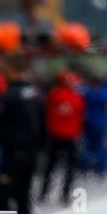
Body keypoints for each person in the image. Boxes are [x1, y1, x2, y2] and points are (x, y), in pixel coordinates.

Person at [0, 55, 43, 214]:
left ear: (12, 69)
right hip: (30, 155)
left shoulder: (9, 96)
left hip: (11, 155)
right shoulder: (37, 95)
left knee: (2, 196)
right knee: (23, 197)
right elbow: (44, 127)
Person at [39, 73, 84, 205]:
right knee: (68, 168)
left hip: (57, 136)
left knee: (51, 166)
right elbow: (79, 118)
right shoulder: (75, 97)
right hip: (66, 137)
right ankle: (63, 194)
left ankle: (45, 192)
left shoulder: (54, 95)